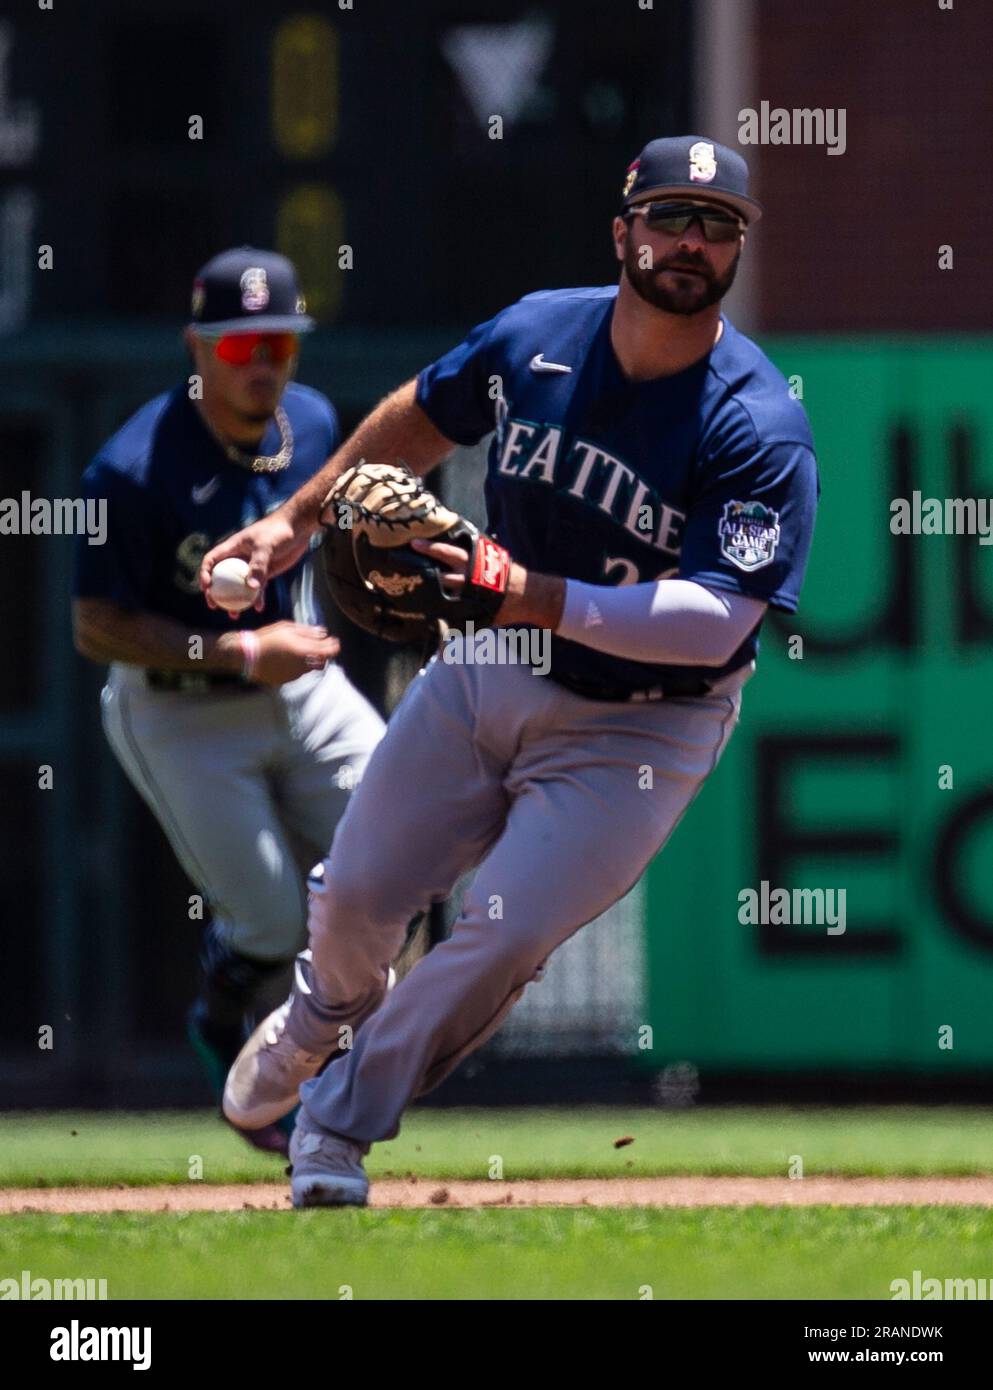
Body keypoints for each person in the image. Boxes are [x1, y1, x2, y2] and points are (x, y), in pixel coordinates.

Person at [201, 136, 819, 1204]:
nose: (691, 241)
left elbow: (716, 621)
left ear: (737, 250)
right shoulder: (536, 336)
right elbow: (420, 414)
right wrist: (292, 524)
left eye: (717, 226)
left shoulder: (757, 422)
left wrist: (530, 592)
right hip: (491, 663)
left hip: (644, 724)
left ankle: (334, 1129)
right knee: (354, 900)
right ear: (623, 231)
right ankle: (317, 1017)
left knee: (503, 935)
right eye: (670, 217)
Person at [71, 247, 385, 1155]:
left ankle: (347, 1055)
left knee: (403, 841)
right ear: (197, 348)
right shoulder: (131, 469)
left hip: (301, 683)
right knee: (273, 922)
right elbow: (94, 626)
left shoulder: (314, 422)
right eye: (242, 346)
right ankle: (220, 1024)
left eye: (278, 345)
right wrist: (240, 652)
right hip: (182, 710)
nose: (263, 365)